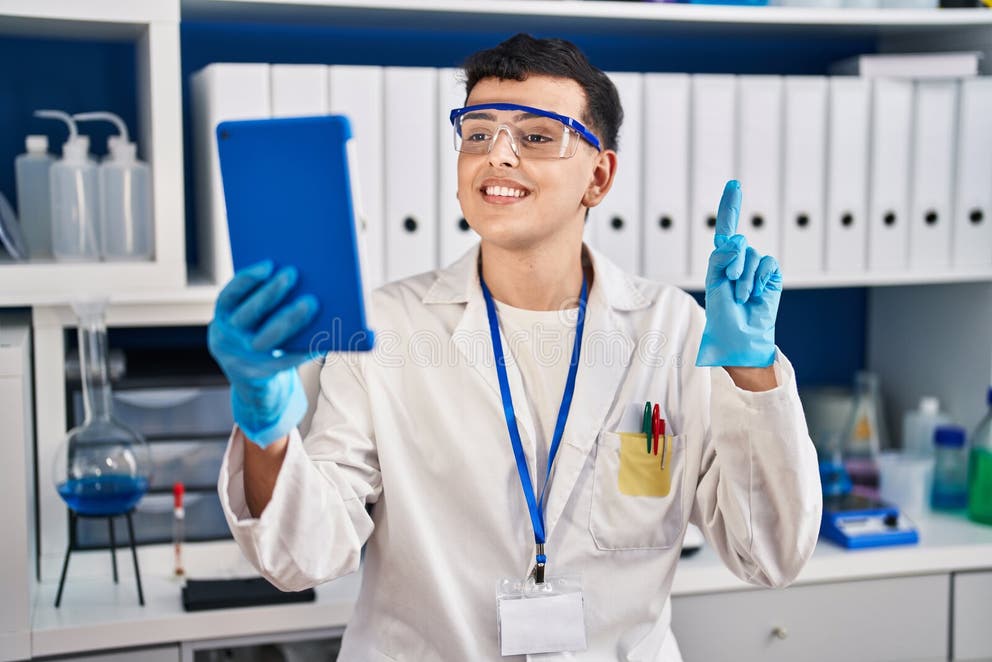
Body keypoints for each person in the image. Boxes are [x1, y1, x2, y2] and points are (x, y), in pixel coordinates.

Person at [209, 33, 822, 661]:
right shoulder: (385, 331)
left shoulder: (673, 331)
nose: (497, 156)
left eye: (535, 136)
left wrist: (752, 371)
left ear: (599, 175)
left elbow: (769, 554)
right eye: (477, 134)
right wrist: (265, 420)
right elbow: (302, 558)